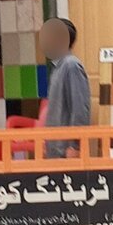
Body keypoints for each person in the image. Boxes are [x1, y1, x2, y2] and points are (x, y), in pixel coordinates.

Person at [39, 17, 90, 158]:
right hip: (54, 147)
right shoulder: (58, 67)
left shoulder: (71, 65)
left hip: (65, 150)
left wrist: (75, 145)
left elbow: (80, 109)